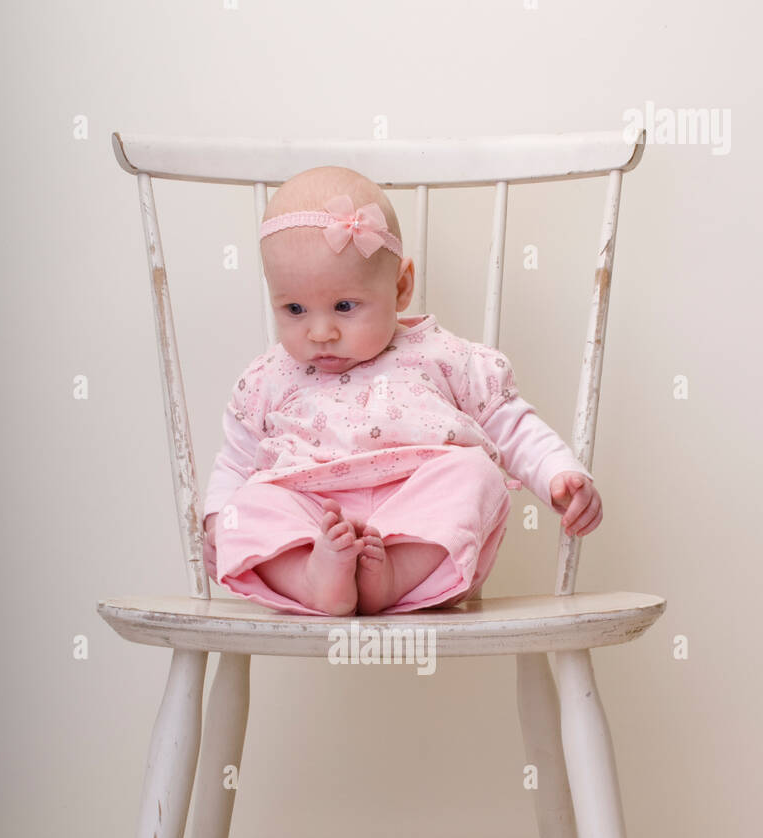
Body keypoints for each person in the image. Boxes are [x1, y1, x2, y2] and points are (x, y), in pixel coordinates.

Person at [203, 165, 602, 617]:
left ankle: (393, 574)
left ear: (400, 287)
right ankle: (310, 578)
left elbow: (508, 424)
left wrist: (557, 472)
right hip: (309, 509)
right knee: (250, 502)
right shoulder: (270, 375)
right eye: (294, 308)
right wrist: (219, 519)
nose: (320, 332)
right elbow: (235, 461)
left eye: (344, 306)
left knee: (477, 474)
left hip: (417, 507)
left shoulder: (443, 354)